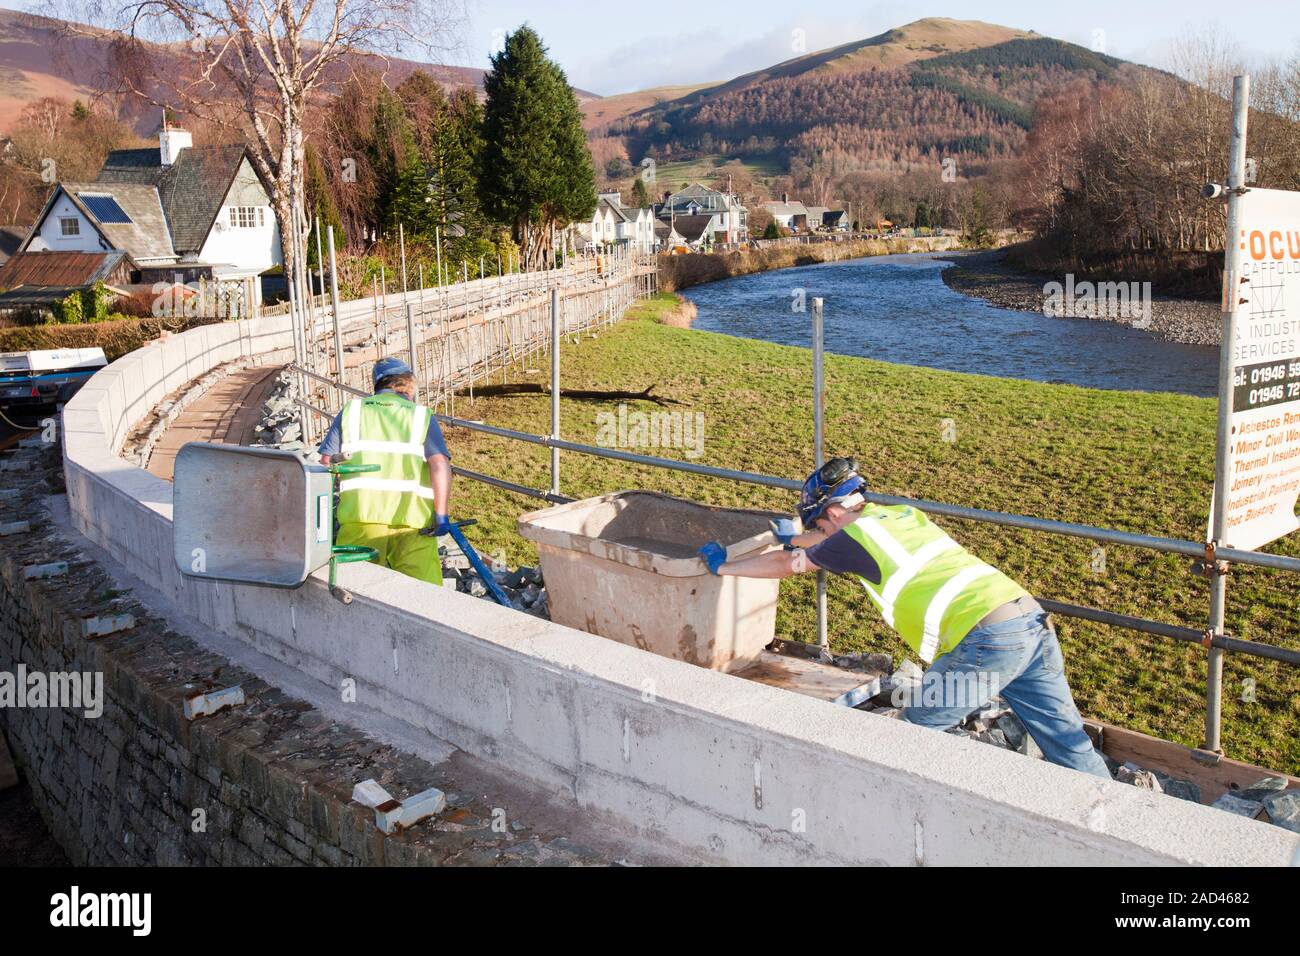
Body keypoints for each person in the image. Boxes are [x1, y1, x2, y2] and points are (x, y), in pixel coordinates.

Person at [698, 457, 1110, 779]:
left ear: (834, 513)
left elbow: (788, 565)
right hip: (1028, 619)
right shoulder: (901, 516)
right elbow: (827, 541)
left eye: (818, 521)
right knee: (1066, 740)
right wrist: (793, 536)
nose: (821, 530)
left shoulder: (853, 540)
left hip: (986, 639)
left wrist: (724, 568)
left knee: (915, 730)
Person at [318, 357, 453, 585]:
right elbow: (439, 464)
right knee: (426, 600)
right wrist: (441, 514)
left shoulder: (352, 412)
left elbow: (325, 463)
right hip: (413, 523)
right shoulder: (420, 416)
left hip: (360, 519)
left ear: (377, 385)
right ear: (409, 386)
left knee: (356, 592)